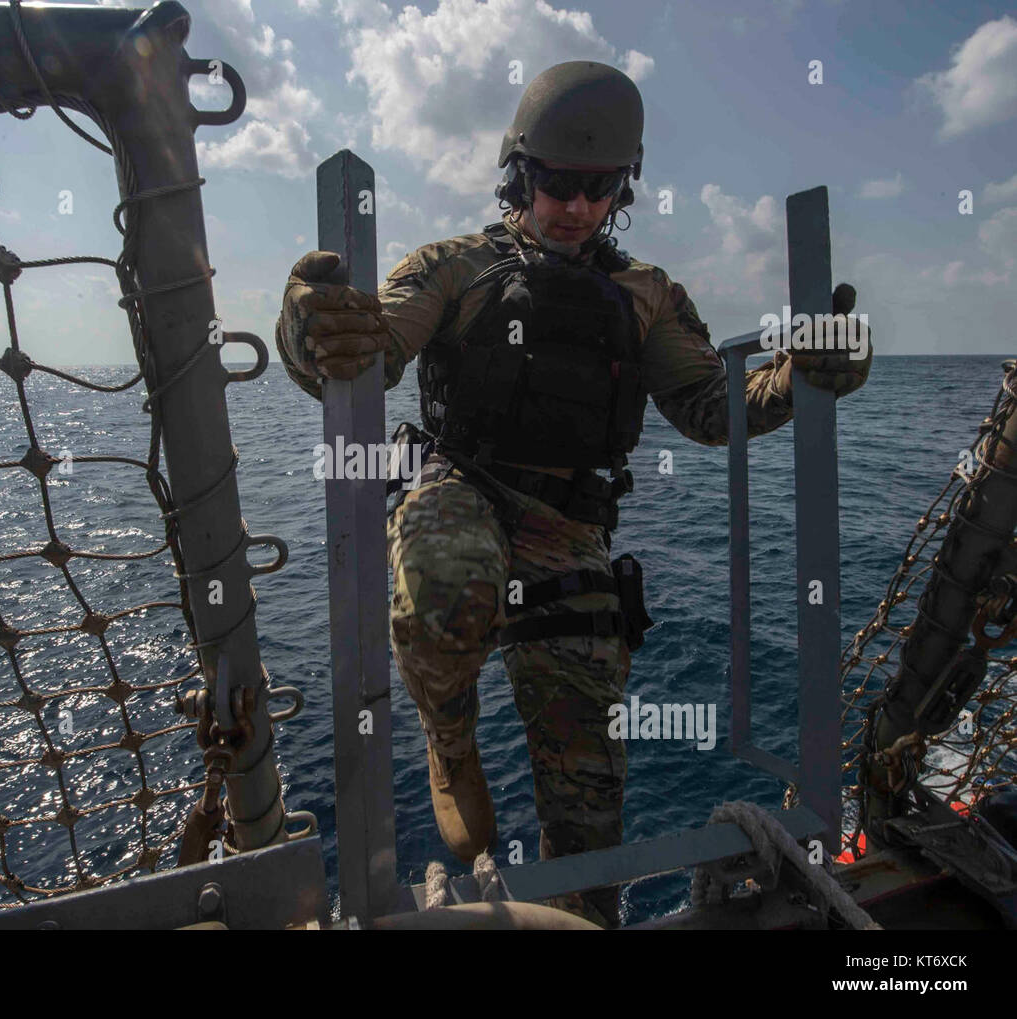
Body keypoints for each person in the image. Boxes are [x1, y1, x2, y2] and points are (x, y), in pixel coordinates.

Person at [274, 61, 871, 928]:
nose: (577, 206)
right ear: (519, 175)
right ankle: (450, 738)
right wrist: (310, 325)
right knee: (442, 576)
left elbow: (712, 407)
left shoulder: (647, 296)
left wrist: (806, 373)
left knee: (588, 796)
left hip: (569, 526)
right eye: (558, 183)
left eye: (600, 187)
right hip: (463, 483)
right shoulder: (455, 267)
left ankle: (586, 915)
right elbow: (366, 351)